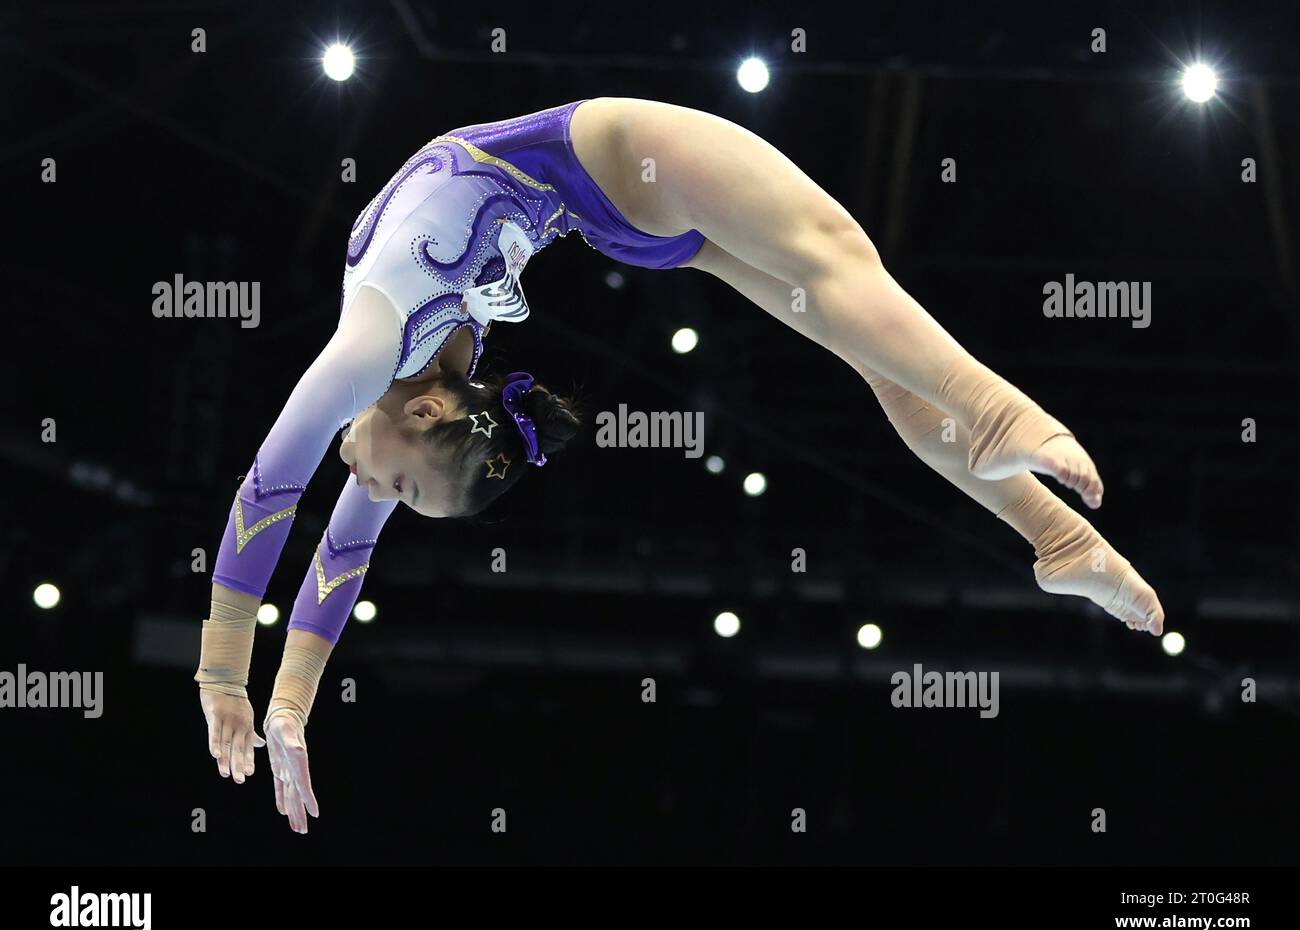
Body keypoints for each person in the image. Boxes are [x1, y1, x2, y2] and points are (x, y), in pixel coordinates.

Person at [196, 98, 1164, 833]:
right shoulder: (412, 381)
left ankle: (1037, 497)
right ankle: (1036, 491)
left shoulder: (367, 344)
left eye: (397, 487)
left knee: (854, 313)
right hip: (627, 194)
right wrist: (285, 701)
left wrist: (231, 680)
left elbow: (270, 492)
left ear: (427, 410)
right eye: (398, 490)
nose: (368, 492)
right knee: (844, 277)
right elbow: (340, 557)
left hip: (616, 159)